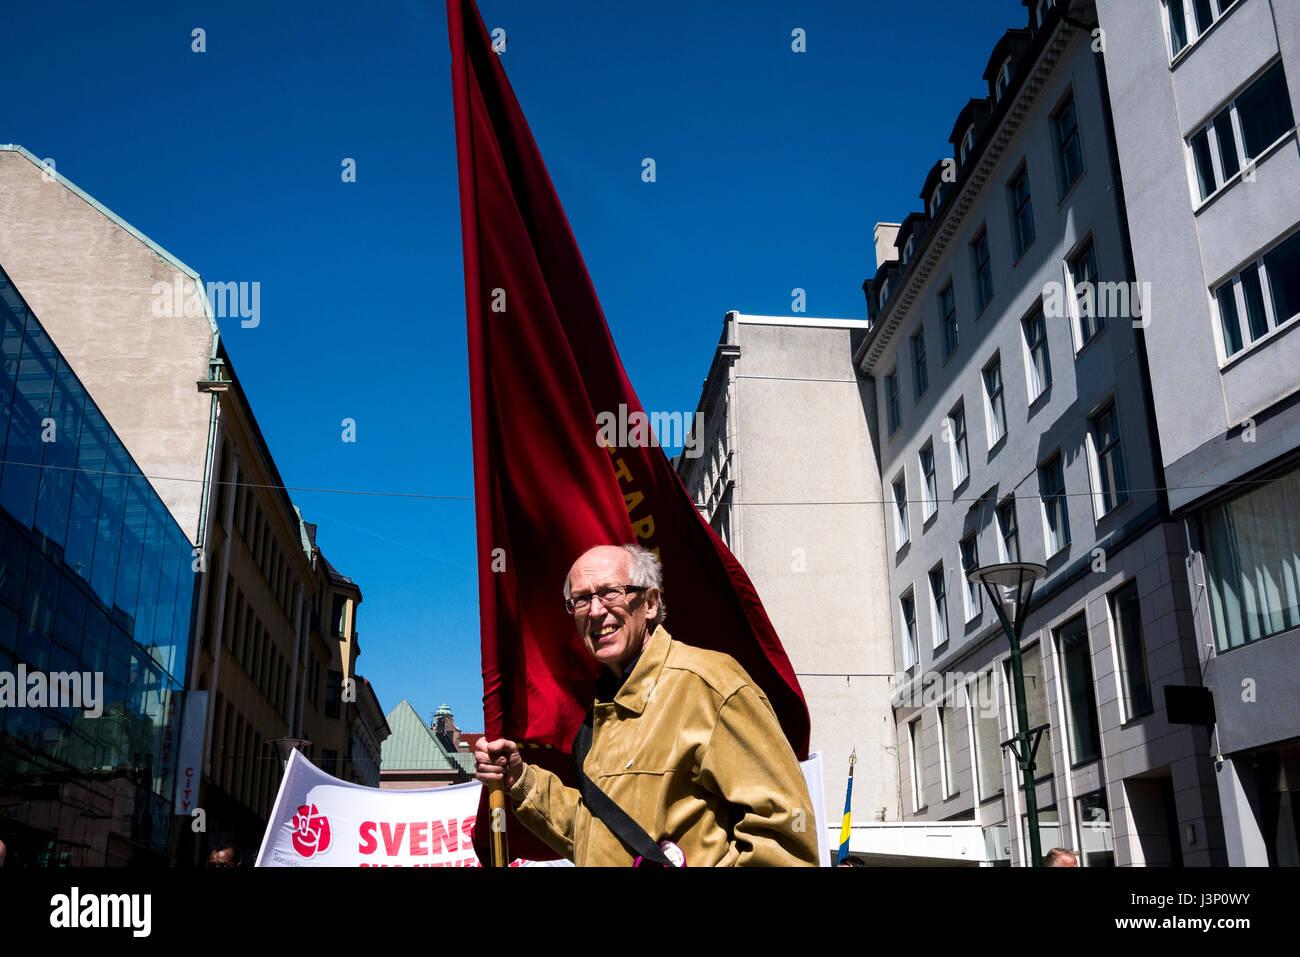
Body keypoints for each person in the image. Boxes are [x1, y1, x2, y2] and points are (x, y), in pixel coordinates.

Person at [475, 543, 819, 867]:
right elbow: (595, 837)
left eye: (611, 592)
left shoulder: (708, 682)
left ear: (650, 604)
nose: (595, 611)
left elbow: (782, 832)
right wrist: (518, 778)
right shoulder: (601, 712)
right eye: (580, 600)